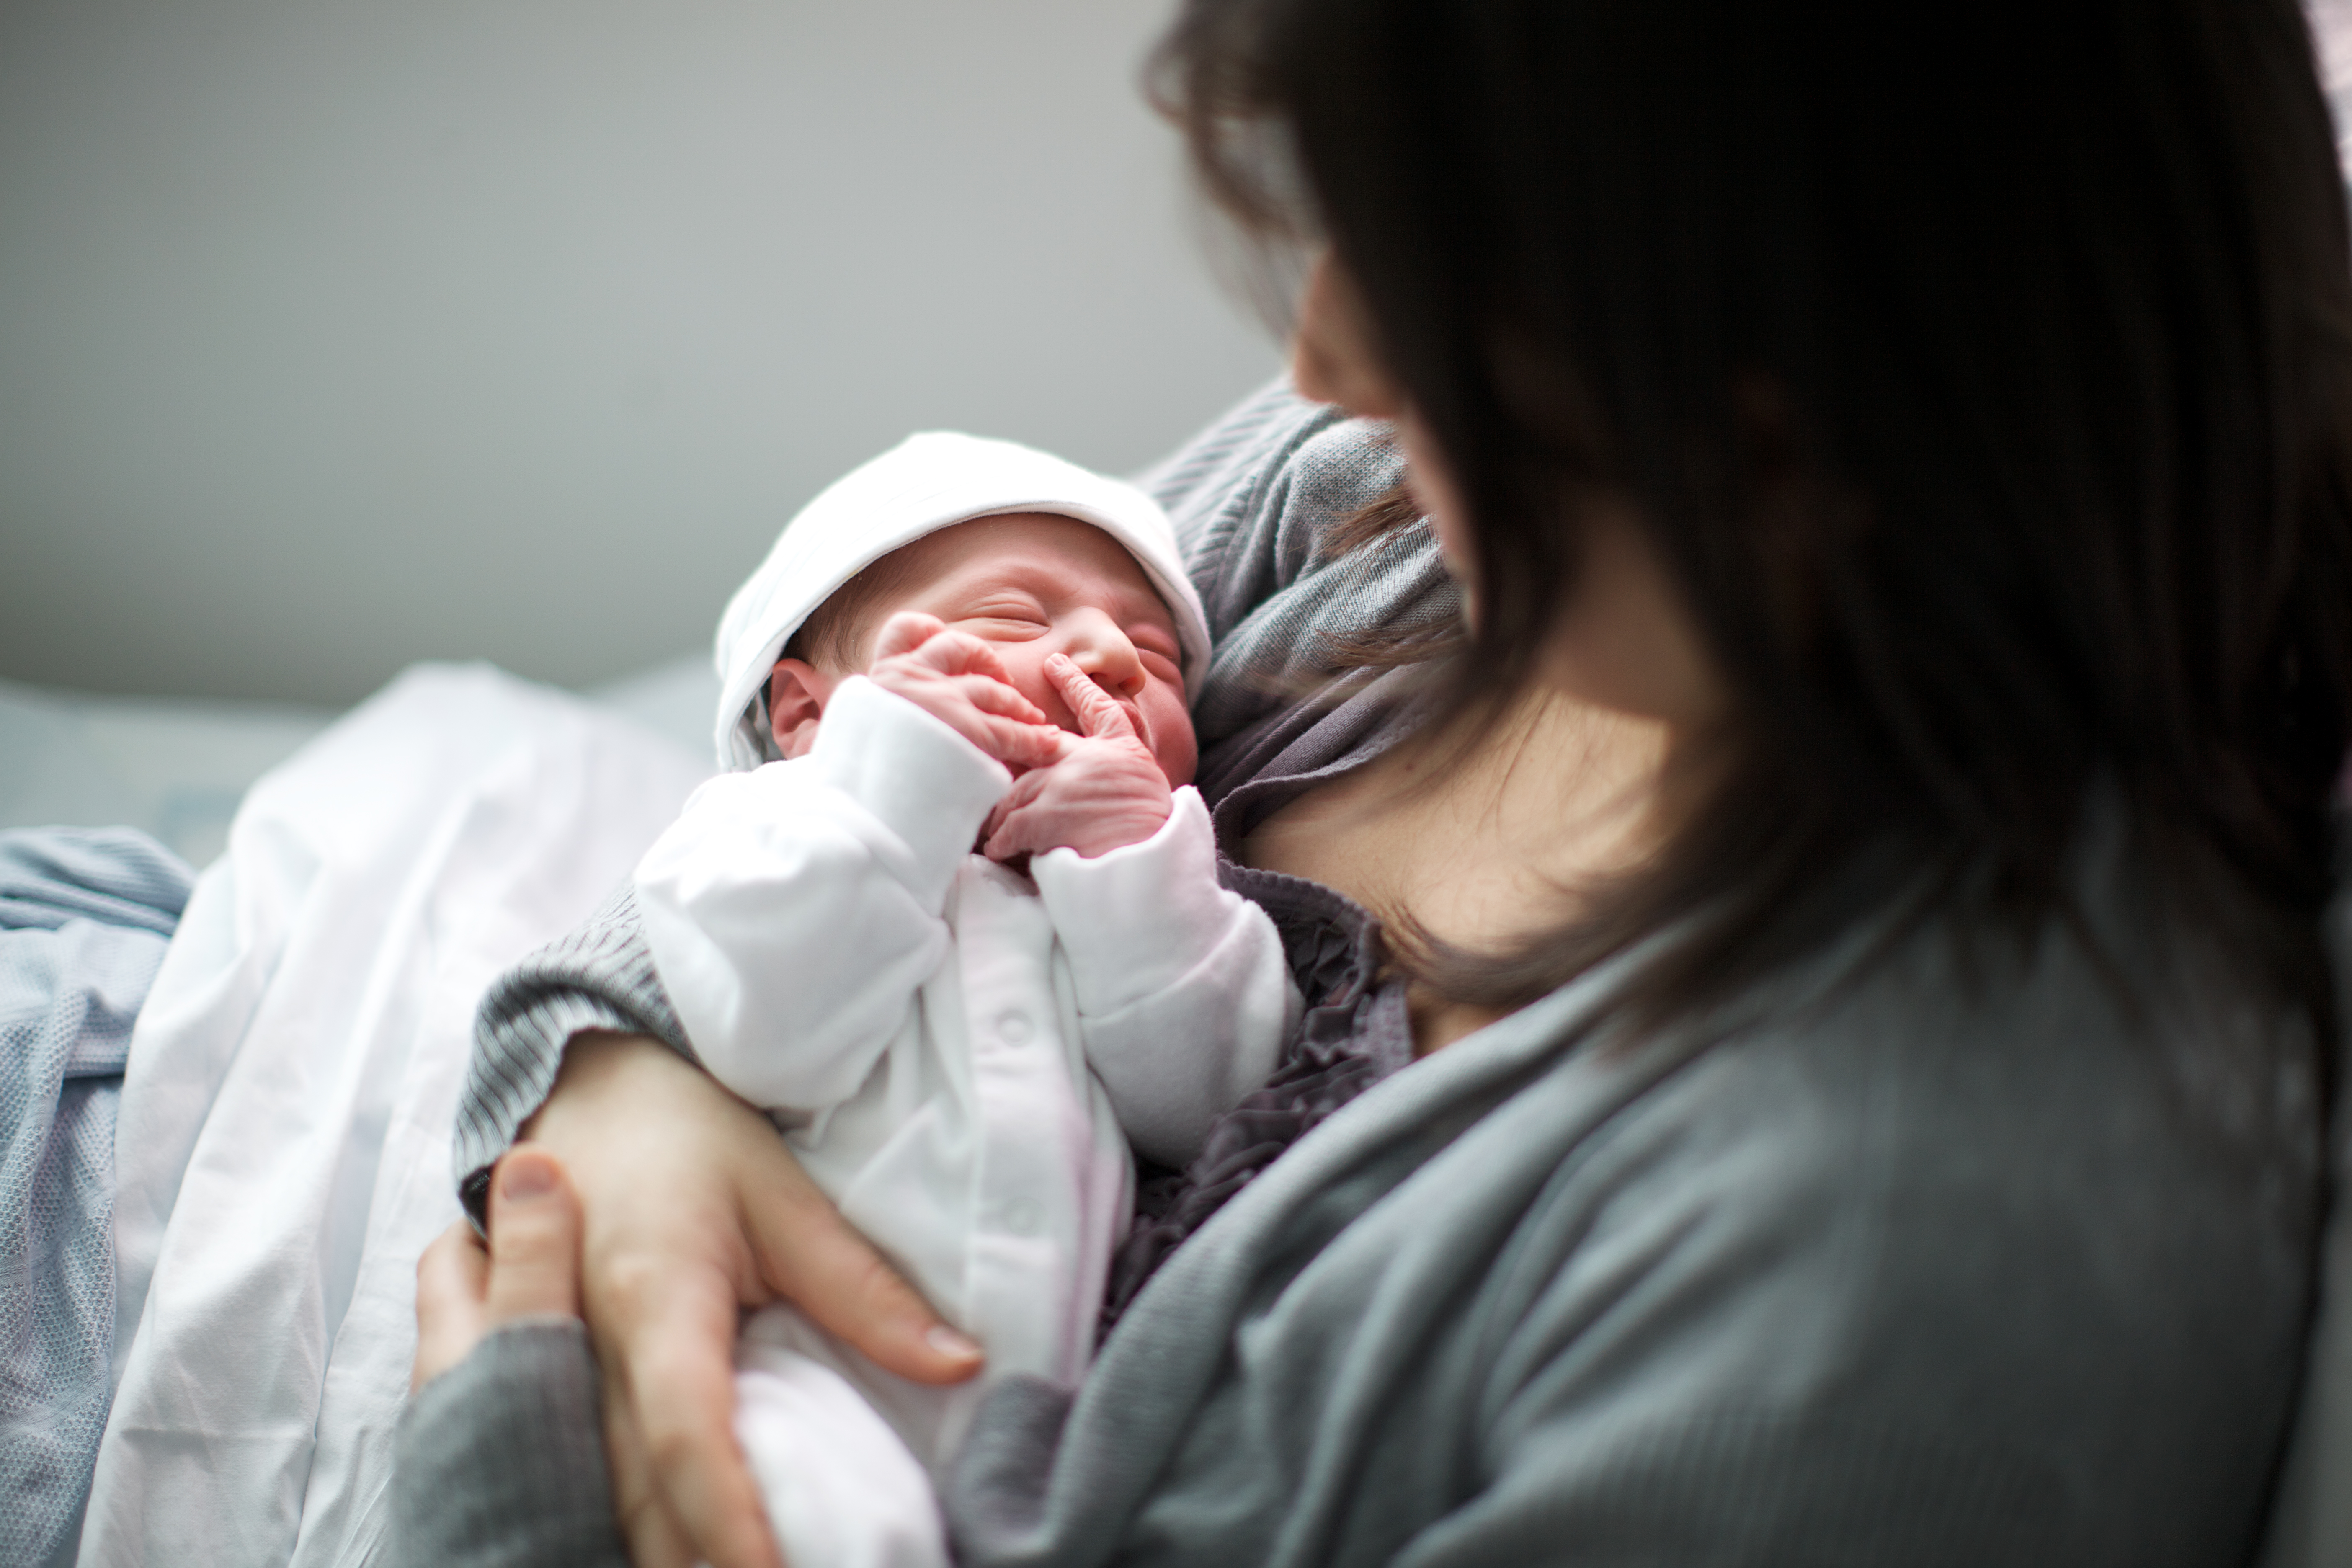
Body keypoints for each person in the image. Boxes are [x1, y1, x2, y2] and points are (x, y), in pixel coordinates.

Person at [397, 1, 2352, 1565]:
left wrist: (518, 1487)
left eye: (1427, 278)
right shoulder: (1422, 515)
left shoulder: (1905, 1274)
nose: (1326, 357)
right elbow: (812, 727)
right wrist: (619, 1078)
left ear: (1777, 452)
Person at [627, 432, 1297, 1567]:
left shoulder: (1167, 882)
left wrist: (1136, 868)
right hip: (799, 1368)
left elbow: (1218, 1106)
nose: (1111, 661)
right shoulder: (761, 831)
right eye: (1015, 621)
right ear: (808, 716)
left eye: (1156, 658)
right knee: (817, 1526)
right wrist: (899, 782)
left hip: (1071, 1417)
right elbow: (766, 1037)